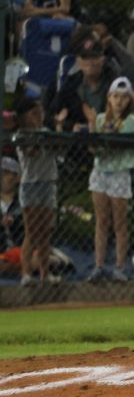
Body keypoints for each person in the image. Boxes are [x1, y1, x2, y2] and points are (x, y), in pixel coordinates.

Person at [86, 77, 134, 283]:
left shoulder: (132, 121)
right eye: (115, 96)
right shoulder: (99, 119)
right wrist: (92, 124)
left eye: (124, 97)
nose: (119, 101)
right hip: (100, 172)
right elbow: (94, 148)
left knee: (119, 223)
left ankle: (119, 267)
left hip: (119, 173)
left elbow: (113, 144)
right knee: (101, 221)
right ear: (109, 98)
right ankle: (99, 266)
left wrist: (100, 138)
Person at [13, 98, 59, 286]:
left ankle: (44, 274)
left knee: (45, 231)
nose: (39, 116)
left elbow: (57, 150)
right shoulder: (20, 135)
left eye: (40, 112)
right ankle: (25, 274)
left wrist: (58, 127)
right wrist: (41, 140)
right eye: (34, 113)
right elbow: (30, 151)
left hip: (48, 183)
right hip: (30, 185)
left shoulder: (46, 133)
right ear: (24, 117)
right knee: (31, 231)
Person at [0, 158, 24, 280]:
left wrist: (16, 222)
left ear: (17, 178)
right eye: (2, 173)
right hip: (2, 252)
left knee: (40, 257)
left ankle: (21, 268)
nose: (3, 177)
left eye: (7, 173)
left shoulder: (23, 202)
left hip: (20, 249)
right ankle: (22, 269)